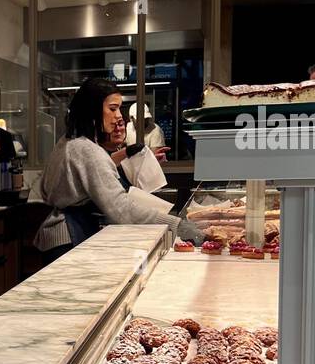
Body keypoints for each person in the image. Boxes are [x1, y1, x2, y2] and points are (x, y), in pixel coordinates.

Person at [32, 77, 201, 260]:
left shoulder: (68, 141)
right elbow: (121, 209)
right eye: (112, 108)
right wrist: (176, 225)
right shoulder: (86, 150)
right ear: (92, 109)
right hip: (69, 238)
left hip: (60, 236)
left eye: (119, 108)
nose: (119, 115)